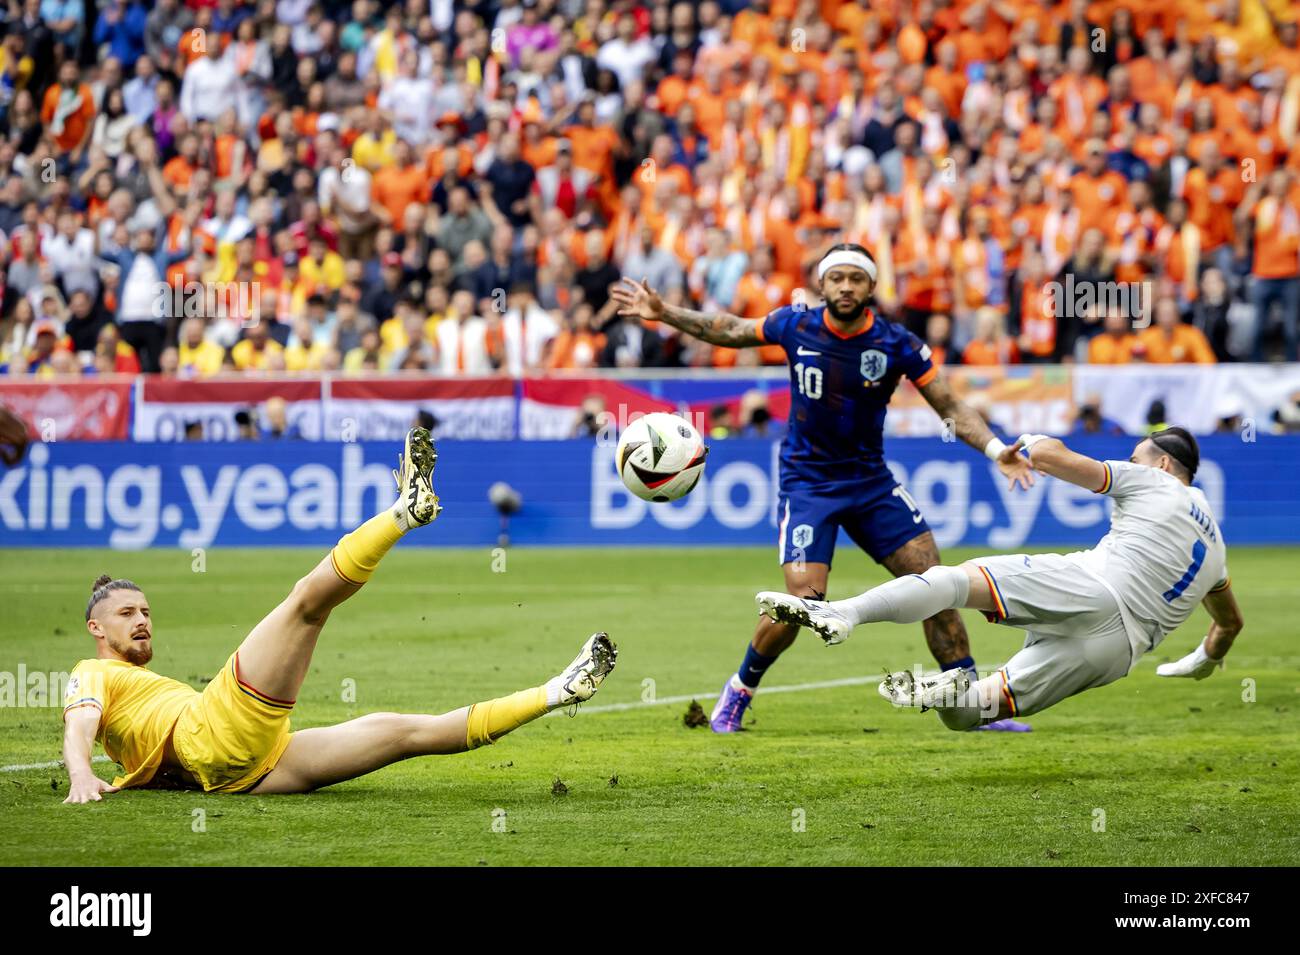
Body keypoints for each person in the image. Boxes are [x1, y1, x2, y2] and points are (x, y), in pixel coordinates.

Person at [611, 243, 1036, 734]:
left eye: (857, 278)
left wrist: (993, 448)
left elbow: (949, 405)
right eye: (838, 278)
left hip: (871, 483)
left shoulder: (896, 343)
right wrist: (666, 313)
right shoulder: (797, 325)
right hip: (808, 484)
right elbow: (729, 329)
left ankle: (973, 704)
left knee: (936, 585)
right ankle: (738, 691)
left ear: (871, 286)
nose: (846, 287)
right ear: (822, 284)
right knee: (804, 602)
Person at [62, 428, 617, 802]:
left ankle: (556, 692)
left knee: (406, 735)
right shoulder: (95, 674)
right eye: (127, 613)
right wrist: (81, 772)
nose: (142, 621)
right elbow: (79, 722)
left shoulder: (136, 690)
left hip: (254, 771)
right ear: (96, 629)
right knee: (306, 603)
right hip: (213, 733)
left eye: (146, 611)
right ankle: (403, 513)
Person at [755, 428, 1241, 728]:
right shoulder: (1216, 549)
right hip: (1117, 653)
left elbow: (1053, 461)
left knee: (953, 581)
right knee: (972, 714)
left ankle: (842, 613)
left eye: (1136, 457)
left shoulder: (1154, 479)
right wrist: (1198, 662)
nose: (1131, 463)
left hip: (1093, 588)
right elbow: (1227, 625)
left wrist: (1029, 440)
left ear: (1161, 463)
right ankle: (950, 691)